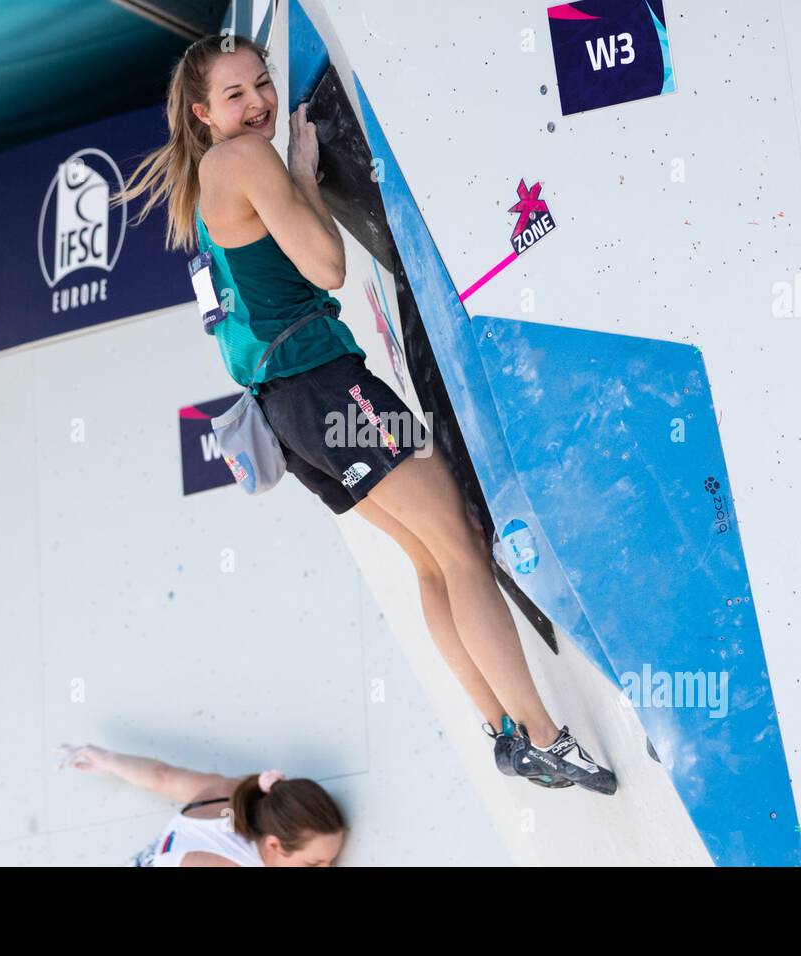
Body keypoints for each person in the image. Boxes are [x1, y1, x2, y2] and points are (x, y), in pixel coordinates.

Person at [112, 35, 615, 794]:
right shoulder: (243, 161)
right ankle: (543, 736)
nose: (258, 105)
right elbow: (329, 265)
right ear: (201, 113)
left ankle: (503, 733)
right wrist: (302, 175)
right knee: (462, 549)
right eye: (236, 96)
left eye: (262, 85)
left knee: (430, 561)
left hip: (293, 410)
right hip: (324, 388)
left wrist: (299, 171)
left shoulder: (206, 182)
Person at [56, 743, 344, 867]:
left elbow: (163, 776)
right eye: (313, 863)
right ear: (273, 845)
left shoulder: (234, 795)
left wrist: (104, 758)